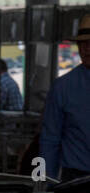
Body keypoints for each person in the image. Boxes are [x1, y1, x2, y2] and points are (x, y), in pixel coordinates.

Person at [40, 15, 90, 181]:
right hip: (76, 178)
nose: (87, 49)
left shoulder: (64, 86)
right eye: (83, 43)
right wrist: (47, 182)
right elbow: (49, 140)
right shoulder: (62, 87)